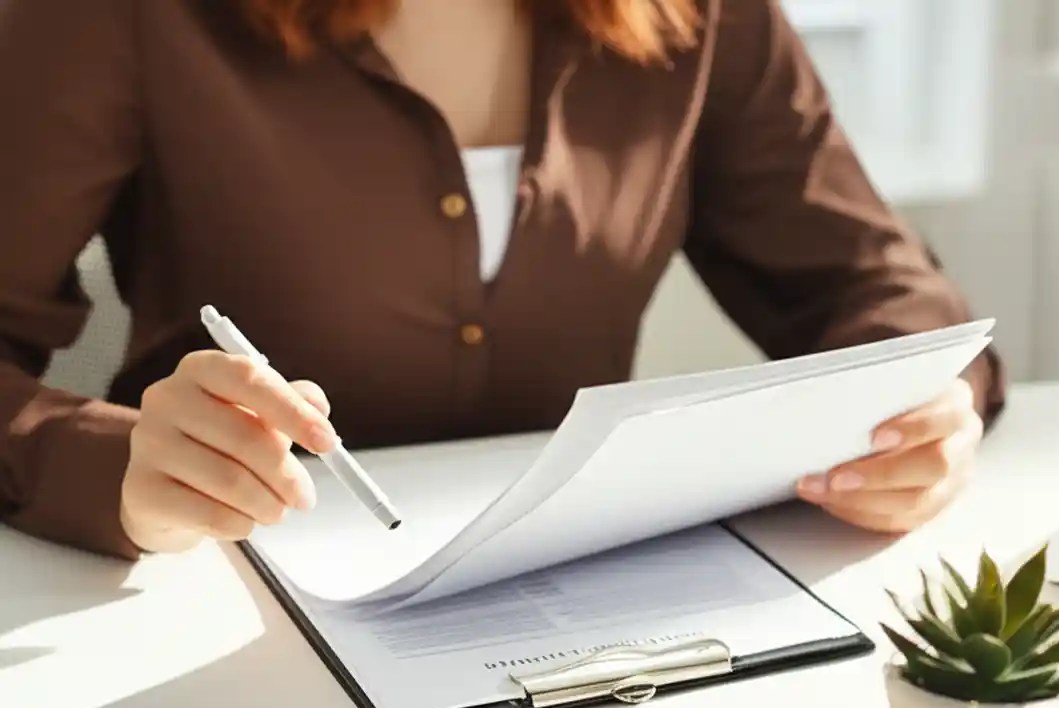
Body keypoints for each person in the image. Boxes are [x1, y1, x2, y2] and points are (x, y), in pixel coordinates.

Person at [0, 0, 1005, 560]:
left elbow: (873, 283)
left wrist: (922, 411)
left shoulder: (702, 18)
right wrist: (118, 469)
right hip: (213, 611)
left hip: (585, 619)